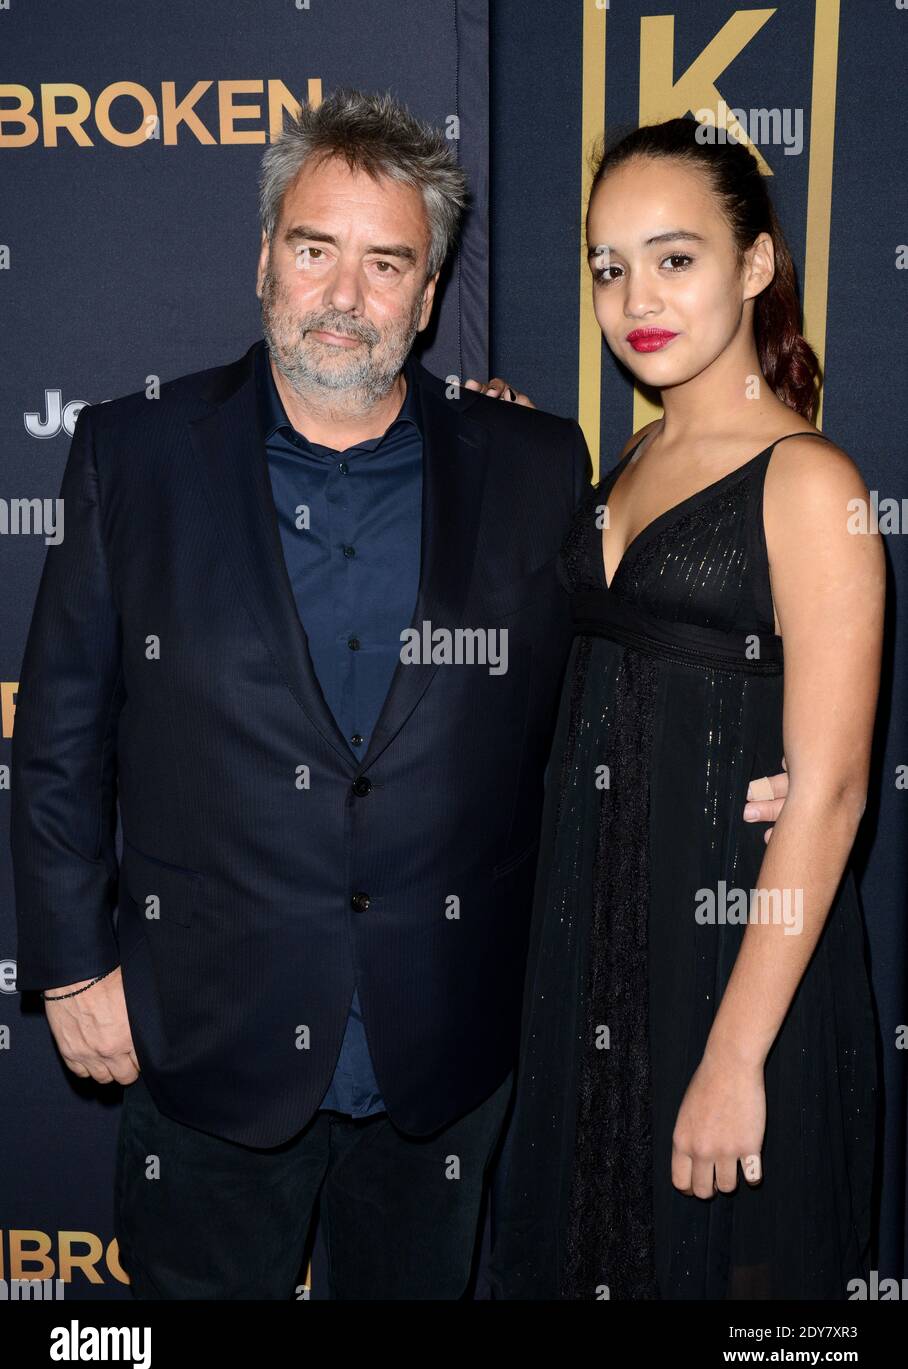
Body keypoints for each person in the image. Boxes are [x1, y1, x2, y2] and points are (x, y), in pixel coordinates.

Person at [10, 93, 787, 1301]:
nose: (344, 294)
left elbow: (619, 668)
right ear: (264, 257)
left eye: (387, 263)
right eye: (315, 249)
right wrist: (68, 969)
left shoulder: (533, 466)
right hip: (203, 1041)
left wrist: (764, 750)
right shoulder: (132, 456)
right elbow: (57, 739)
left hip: (444, 1056)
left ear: (426, 299)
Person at [485, 117, 883, 1300]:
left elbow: (828, 791)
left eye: (673, 257)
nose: (631, 297)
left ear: (754, 263)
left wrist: (732, 1052)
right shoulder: (632, 454)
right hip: (591, 941)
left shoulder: (812, 483)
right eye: (607, 266)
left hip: (728, 964)